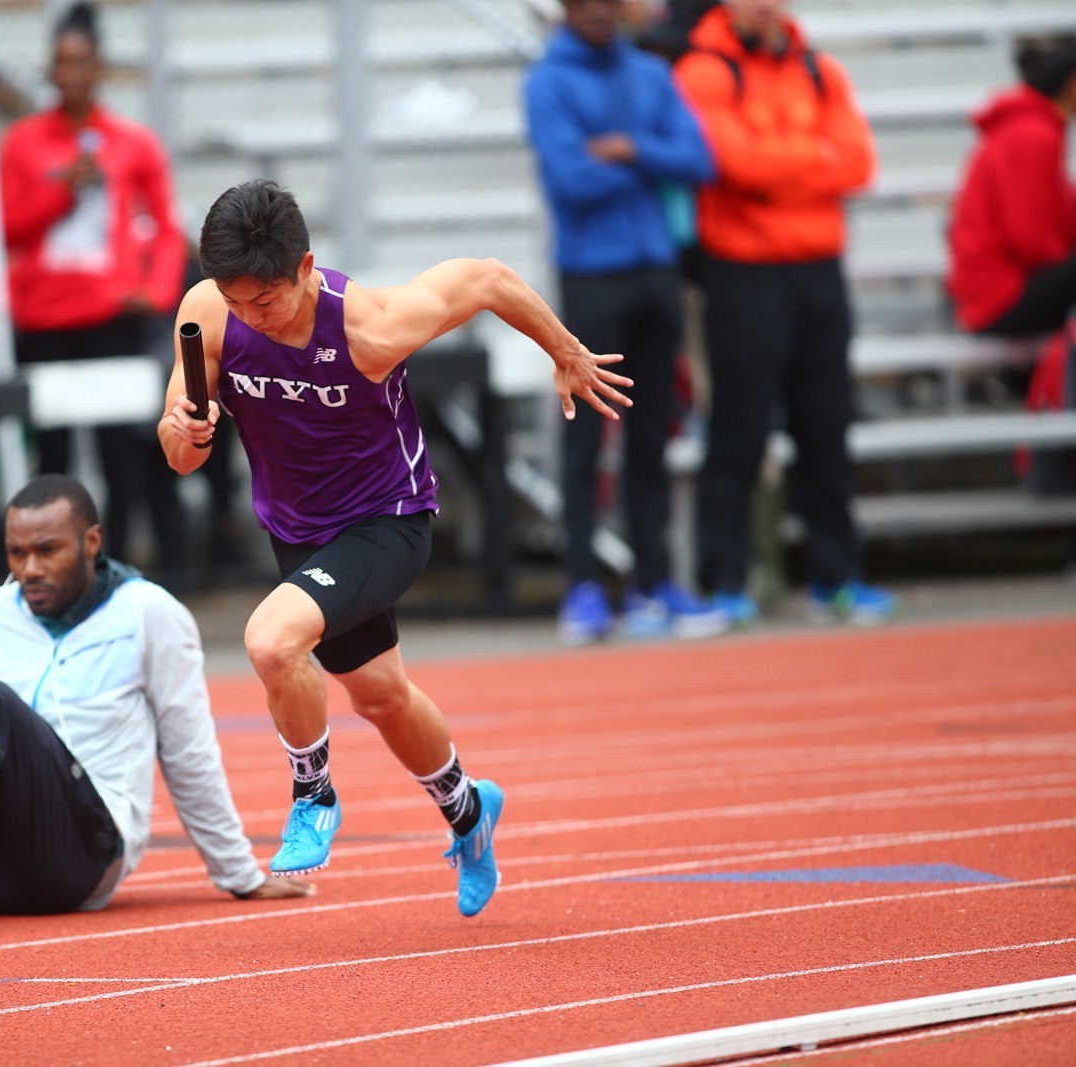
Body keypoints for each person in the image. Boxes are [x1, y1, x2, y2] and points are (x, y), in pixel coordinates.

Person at [157, 180, 631, 917]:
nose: (249, 316)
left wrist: (565, 352)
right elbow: (181, 456)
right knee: (381, 695)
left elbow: (486, 278)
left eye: (266, 301)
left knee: (272, 642)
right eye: (235, 300)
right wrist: (182, 431)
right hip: (298, 532)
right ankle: (469, 810)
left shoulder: (370, 327)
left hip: (387, 520)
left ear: (305, 268)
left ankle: (313, 794)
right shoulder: (206, 314)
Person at [0, 474, 311, 931]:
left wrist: (238, 873)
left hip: (78, 857)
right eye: (16, 553)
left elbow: (189, 751)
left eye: (47, 551)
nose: (29, 570)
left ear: (92, 542)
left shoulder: (148, 613)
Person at [674, 0, 895, 626]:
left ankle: (838, 577)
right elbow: (734, 163)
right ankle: (724, 582)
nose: (766, 7)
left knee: (826, 428)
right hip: (741, 272)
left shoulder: (819, 69)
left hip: (819, 272)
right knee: (738, 432)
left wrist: (776, 174)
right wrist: (813, 159)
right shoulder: (704, 71)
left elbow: (858, 162)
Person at [525, 0, 727, 645]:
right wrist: (651, 161)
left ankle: (653, 585)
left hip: (656, 275)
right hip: (591, 278)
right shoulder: (547, 81)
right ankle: (583, 588)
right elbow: (570, 181)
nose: (596, 11)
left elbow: (701, 159)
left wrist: (627, 149)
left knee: (651, 437)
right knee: (585, 438)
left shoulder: (651, 74)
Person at [0, 1, 188, 584]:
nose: (70, 73)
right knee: (52, 453)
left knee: (119, 453)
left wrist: (156, 293)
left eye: (81, 61)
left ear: (99, 67)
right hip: (45, 320)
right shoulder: (24, 143)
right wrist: (61, 193)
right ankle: (50, 569)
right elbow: (5, 227)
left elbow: (168, 228)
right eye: (61, 62)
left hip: (110, 316)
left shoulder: (133, 143)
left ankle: (114, 568)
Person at [947, 35, 1076, 341]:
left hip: (997, 289)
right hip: (999, 297)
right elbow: (1033, 240)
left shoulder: (1031, 127)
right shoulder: (1032, 135)